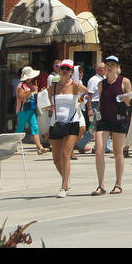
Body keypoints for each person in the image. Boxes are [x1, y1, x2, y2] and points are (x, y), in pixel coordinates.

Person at [45, 61, 89, 197]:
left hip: (72, 123)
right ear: (59, 71)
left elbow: (88, 92)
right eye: (62, 68)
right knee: (56, 159)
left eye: (67, 69)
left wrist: (79, 86)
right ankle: (66, 180)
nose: (64, 71)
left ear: (71, 72)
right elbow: (50, 101)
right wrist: (51, 107)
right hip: (57, 123)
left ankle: (63, 187)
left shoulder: (74, 86)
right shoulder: (53, 86)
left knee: (65, 155)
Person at [91, 58, 132, 195]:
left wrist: (127, 99)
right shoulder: (101, 84)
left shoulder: (124, 81)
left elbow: (130, 102)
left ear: (117, 67)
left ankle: (118, 184)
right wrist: (95, 121)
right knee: (99, 151)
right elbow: (100, 104)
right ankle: (101, 185)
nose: (109, 67)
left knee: (117, 152)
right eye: (107, 65)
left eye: (112, 65)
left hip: (119, 119)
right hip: (104, 120)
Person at [15, 66, 45, 154]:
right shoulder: (21, 86)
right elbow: (21, 97)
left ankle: (39, 147)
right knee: (20, 129)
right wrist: (30, 91)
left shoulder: (29, 85)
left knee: (34, 127)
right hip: (23, 110)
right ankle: (14, 146)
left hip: (31, 109)